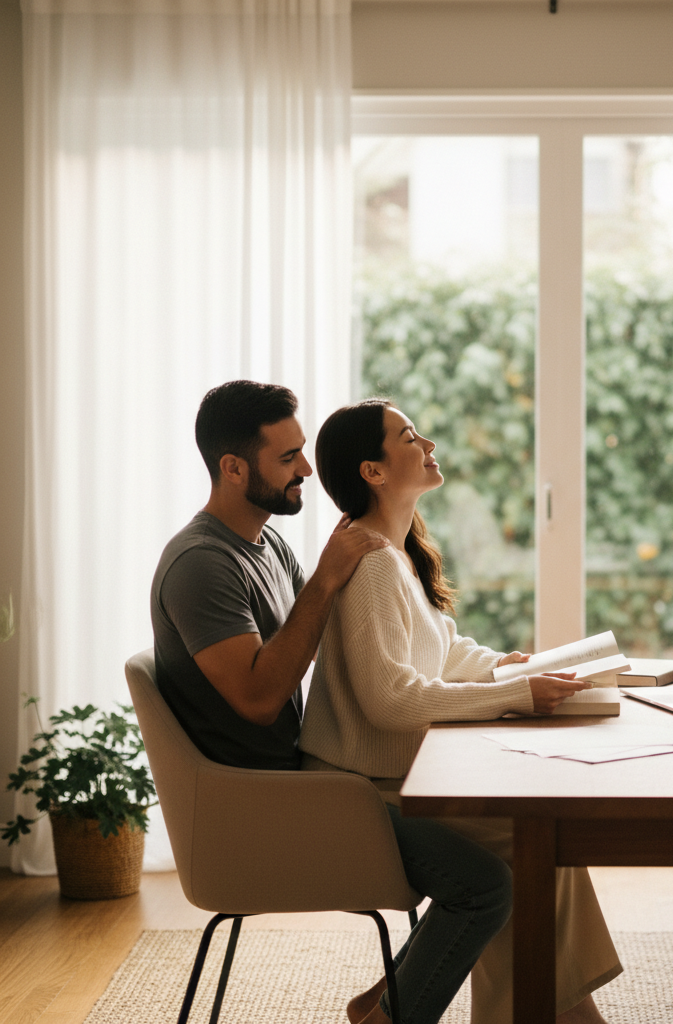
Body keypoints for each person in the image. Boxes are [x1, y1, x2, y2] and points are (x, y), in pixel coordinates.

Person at [151, 381, 515, 1024]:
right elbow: (260, 700)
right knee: (484, 885)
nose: (307, 469)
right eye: (287, 457)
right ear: (233, 468)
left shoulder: (268, 546)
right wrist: (328, 579)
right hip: (259, 808)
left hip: (302, 784)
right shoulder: (202, 565)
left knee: (522, 839)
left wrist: (478, 662)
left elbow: (345, 652)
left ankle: (392, 1003)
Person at [299, 397, 623, 1024]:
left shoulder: (393, 552)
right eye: (410, 436)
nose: (429, 444)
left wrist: (510, 667)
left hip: (396, 779)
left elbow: (440, 649)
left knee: (542, 836)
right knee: (536, 842)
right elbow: (391, 698)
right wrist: (515, 695)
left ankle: (555, 1011)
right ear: (373, 471)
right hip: (360, 794)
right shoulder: (372, 565)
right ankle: (567, 1014)